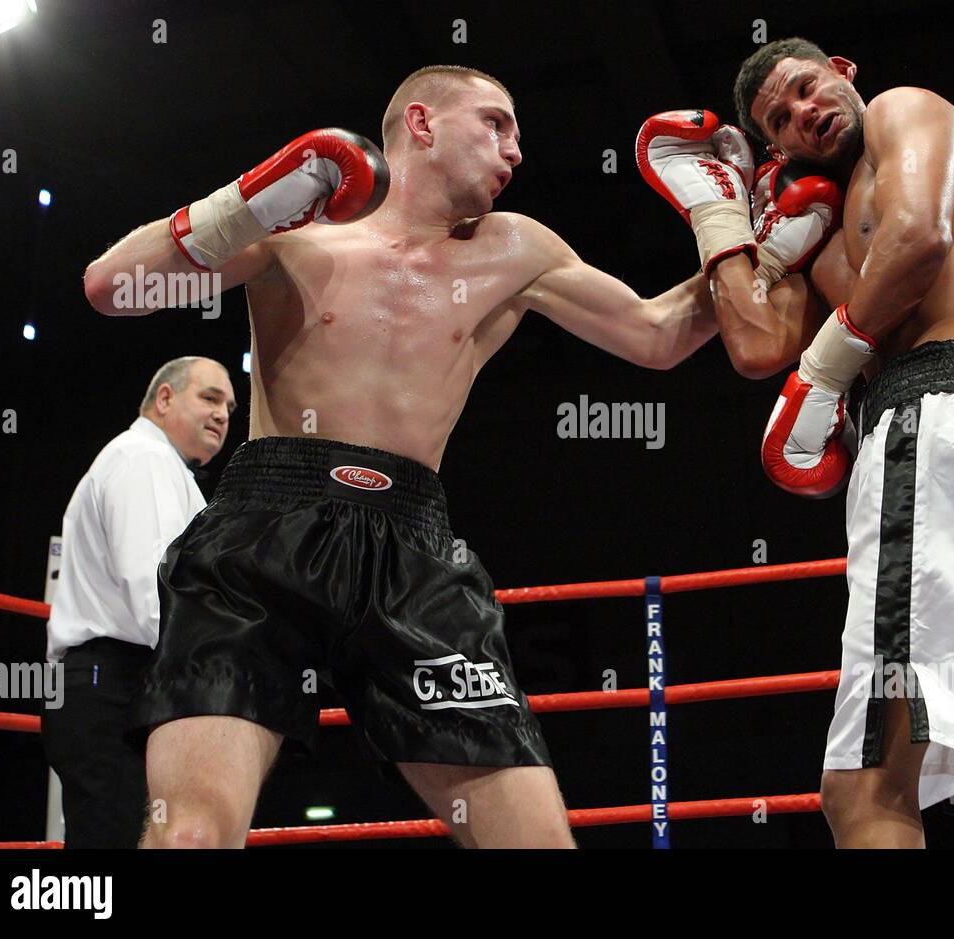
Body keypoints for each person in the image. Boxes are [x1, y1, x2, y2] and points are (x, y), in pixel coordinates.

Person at [82, 64, 718, 848]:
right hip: (264, 528)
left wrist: (728, 224)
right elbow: (114, 287)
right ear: (422, 123)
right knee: (190, 836)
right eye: (496, 123)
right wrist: (247, 201)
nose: (516, 149)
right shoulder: (296, 232)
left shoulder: (517, 250)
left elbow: (656, 336)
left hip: (412, 551)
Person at [637, 38, 954, 847]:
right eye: (782, 119)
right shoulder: (825, 228)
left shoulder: (903, 110)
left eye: (809, 89)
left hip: (934, 421)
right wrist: (715, 208)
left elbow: (920, 238)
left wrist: (825, 368)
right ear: (775, 148)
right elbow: (752, 346)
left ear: (844, 72)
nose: (805, 113)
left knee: (864, 793)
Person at [43, 356, 235, 848]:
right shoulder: (144, 459)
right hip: (114, 685)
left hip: (119, 684)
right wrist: (211, 677)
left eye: (230, 407)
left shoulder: (164, 469)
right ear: (165, 398)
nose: (222, 415)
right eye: (209, 397)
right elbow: (154, 588)